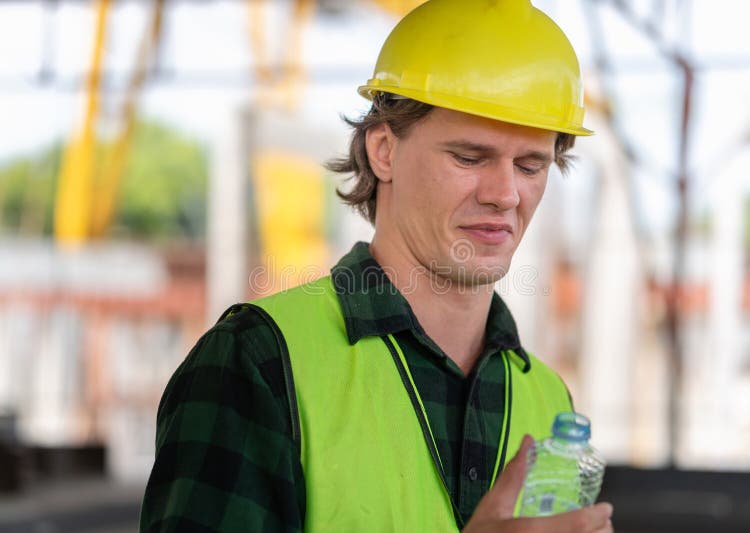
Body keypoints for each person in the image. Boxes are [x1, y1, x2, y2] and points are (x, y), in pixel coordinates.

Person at [140, 0, 614, 531]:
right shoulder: (256, 365)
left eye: (531, 166)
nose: (505, 195)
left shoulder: (548, 398)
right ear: (384, 150)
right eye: (469, 157)